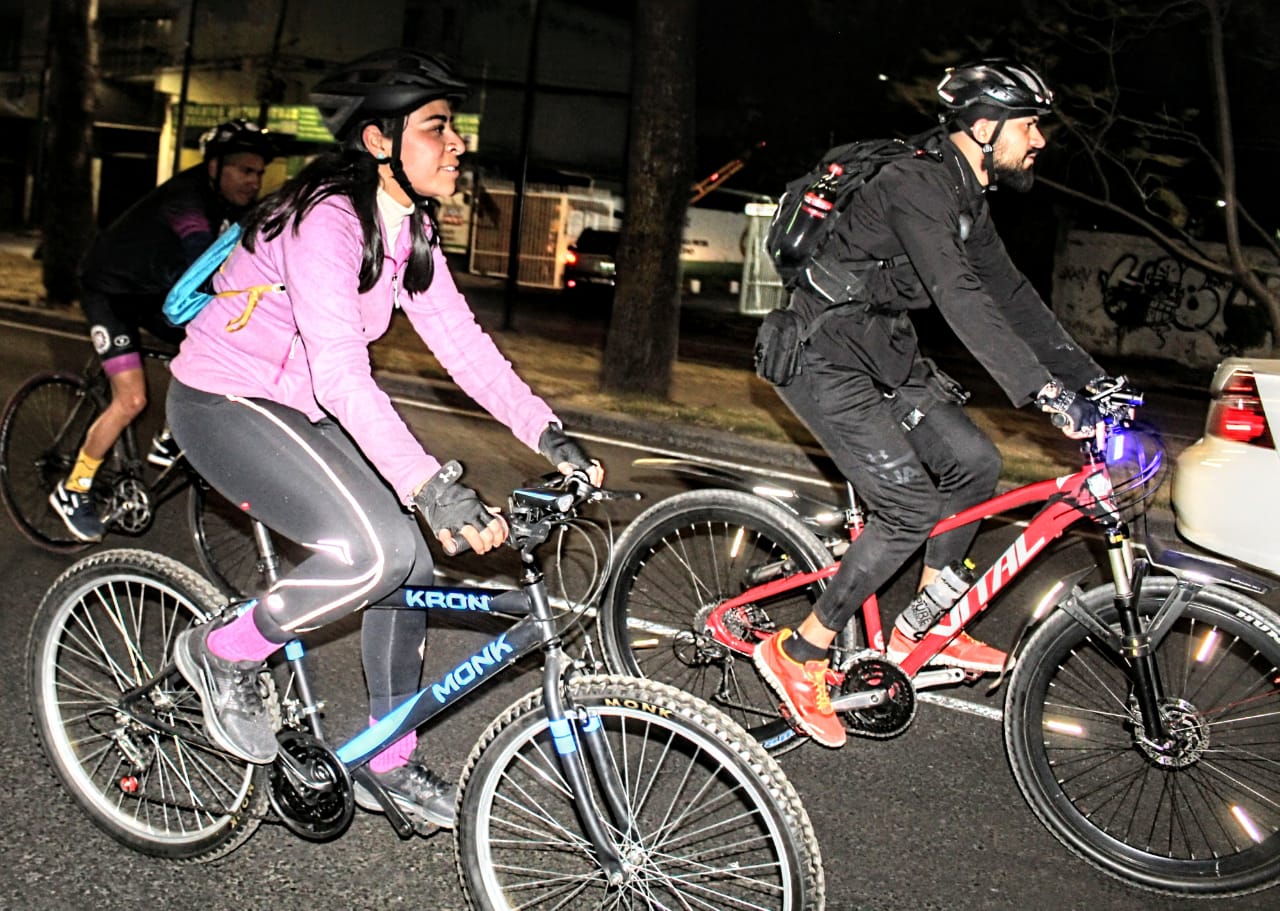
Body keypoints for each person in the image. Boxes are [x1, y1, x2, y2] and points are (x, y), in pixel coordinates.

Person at [164, 49, 603, 830]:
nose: (457, 144)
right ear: (378, 142)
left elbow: (467, 351)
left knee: (413, 560)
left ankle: (384, 758)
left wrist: (548, 432)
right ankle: (225, 650)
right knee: (377, 554)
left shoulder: (406, 229)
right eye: (437, 128)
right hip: (224, 398)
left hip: (297, 404)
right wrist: (428, 483)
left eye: (454, 128)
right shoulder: (327, 221)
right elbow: (340, 375)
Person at [753, 60, 1108, 749]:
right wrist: (1044, 393)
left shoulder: (964, 191)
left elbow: (1011, 297)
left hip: (883, 351)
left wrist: (1090, 381)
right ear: (984, 126)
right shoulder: (915, 182)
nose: (1038, 139)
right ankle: (802, 648)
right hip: (824, 355)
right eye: (1029, 124)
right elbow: (958, 295)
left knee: (975, 463)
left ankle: (930, 622)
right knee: (908, 504)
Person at [49, 119, 274, 541]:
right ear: (214, 166)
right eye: (245, 170)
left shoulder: (233, 205)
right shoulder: (186, 201)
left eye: (259, 173)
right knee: (131, 399)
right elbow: (204, 261)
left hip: (155, 292)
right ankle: (73, 487)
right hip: (110, 292)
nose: (253, 181)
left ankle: (172, 435)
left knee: (219, 340)